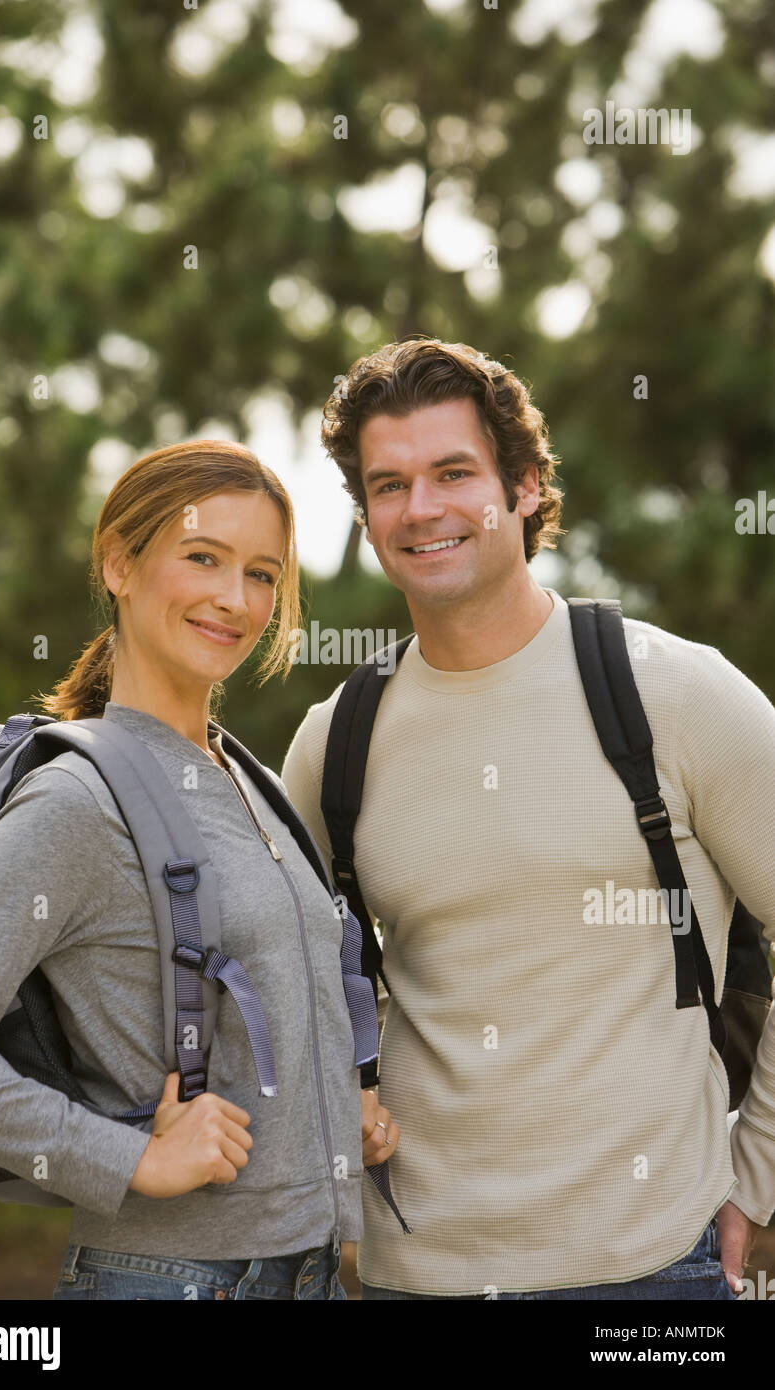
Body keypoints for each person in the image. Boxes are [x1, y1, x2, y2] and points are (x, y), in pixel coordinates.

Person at [280, 337, 775, 1300]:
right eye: (389, 485)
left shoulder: (673, 692)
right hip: (411, 1277)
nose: (421, 509)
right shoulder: (335, 739)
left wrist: (753, 1178)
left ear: (526, 486)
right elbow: (265, 979)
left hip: (649, 1274)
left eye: (453, 472)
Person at [0, 440, 398, 1301]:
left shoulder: (258, 785)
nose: (233, 598)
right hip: (171, 1278)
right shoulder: (78, 801)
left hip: (309, 1274)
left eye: (260, 574)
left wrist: (342, 1100)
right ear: (119, 564)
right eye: (202, 558)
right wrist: (133, 1156)